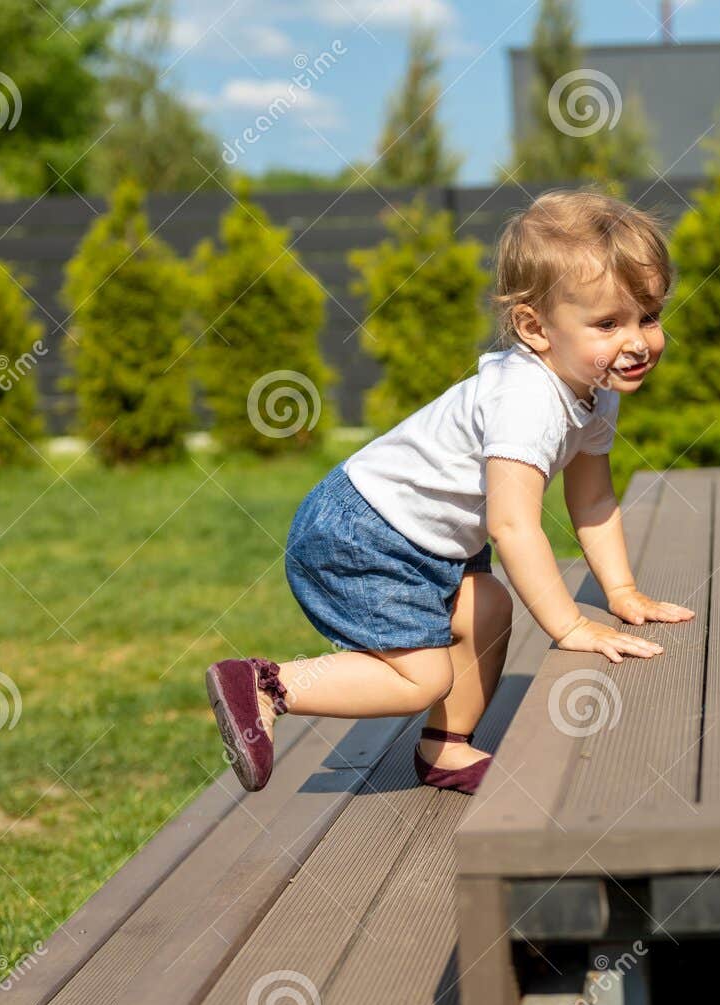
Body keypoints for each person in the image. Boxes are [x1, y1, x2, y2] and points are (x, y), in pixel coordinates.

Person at [205, 189, 694, 796]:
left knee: (488, 609)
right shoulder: (527, 400)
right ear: (535, 328)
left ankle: (446, 748)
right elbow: (513, 525)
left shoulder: (595, 390)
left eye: (649, 316)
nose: (638, 341)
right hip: (365, 532)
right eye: (608, 324)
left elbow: (592, 500)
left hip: (426, 541)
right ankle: (265, 685)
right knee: (423, 677)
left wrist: (621, 592)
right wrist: (568, 625)